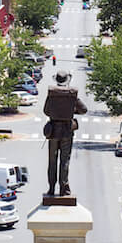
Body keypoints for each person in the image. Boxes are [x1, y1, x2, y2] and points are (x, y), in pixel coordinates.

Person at [42, 69, 87, 197]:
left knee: (52, 161)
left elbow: (46, 111)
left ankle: (51, 188)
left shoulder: (52, 94)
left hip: (53, 131)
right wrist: (71, 112)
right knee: (65, 161)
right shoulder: (72, 95)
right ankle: (64, 188)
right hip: (67, 131)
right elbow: (83, 109)